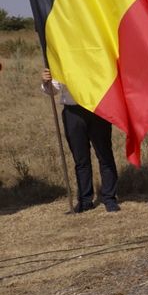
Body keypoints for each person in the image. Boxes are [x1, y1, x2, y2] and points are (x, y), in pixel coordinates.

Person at [41, 69, 119, 213]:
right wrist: (46, 82)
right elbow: (54, 90)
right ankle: (85, 200)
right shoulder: (62, 55)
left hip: (98, 108)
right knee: (81, 160)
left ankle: (109, 198)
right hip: (73, 112)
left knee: (105, 155)